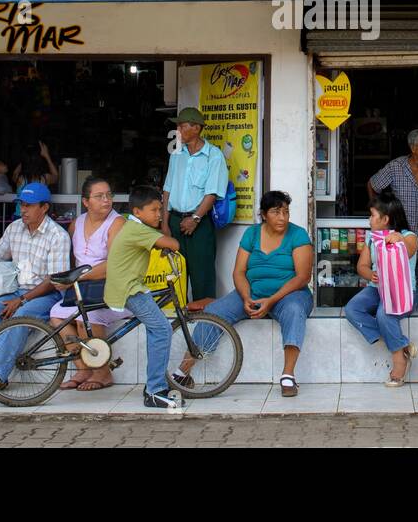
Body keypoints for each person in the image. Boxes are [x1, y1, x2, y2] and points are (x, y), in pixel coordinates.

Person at [180, 191, 313, 397]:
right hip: (252, 292)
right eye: (276, 212)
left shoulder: (298, 234)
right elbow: (239, 272)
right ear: (263, 215)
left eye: (286, 212)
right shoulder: (251, 234)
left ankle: (288, 375)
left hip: (289, 294)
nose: (282, 218)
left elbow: (303, 276)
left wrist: (271, 301)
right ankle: (183, 371)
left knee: (295, 311)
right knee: (214, 312)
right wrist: (246, 297)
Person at [0, 182, 71, 392]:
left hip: (47, 294)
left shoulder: (57, 236)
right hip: (18, 290)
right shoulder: (15, 228)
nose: (23, 210)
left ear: (44, 207)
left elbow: (54, 281)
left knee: (20, 315)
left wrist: (22, 300)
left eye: (29, 205)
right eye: (22, 204)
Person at [104, 185, 181, 409]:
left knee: (155, 328)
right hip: (129, 289)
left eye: (161, 209)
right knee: (162, 329)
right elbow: (172, 243)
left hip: (128, 286)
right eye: (154, 210)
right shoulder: (138, 230)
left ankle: (156, 386)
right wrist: (166, 244)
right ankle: (155, 390)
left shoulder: (133, 226)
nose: (159, 214)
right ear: (137, 212)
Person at [46, 176, 126, 392]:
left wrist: (77, 278)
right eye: (99, 196)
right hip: (84, 290)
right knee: (56, 315)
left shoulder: (117, 223)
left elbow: (113, 265)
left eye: (109, 195)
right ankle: (83, 368)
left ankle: (102, 372)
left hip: (111, 290)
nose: (106, 200)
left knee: (85, 317)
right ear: (85, 202)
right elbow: (73, 260)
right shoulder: (77, 223)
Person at [343, 192, 418, 387]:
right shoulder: (372, 239)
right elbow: (362, 266)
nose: (369, 219)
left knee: (384, 314)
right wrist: (371, 275)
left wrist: (398, 239)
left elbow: (409, 248)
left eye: (372, 215)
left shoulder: (409, 236)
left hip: (401, 292)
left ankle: (399, 362)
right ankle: (400, 344)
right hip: (377, 288)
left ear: (385, 219)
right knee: (352, 310)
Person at [367, 126, 418, 292]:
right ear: (413, 147)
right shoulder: (395, 167)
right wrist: (378, 211)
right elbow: (373, 185)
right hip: (401, 239)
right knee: (401, 285)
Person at [161, 106, 228, 307]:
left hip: (199, 223)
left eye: (182, 126)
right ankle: (177, 321)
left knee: (202, 275)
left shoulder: (213, 156)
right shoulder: (177, 155)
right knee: (174, 274)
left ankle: (206, 325)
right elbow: (167, 190)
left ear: (196, 128)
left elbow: (212, 193)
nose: (178, 131)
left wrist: (196, 219)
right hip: (174, 221)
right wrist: (165, 224)